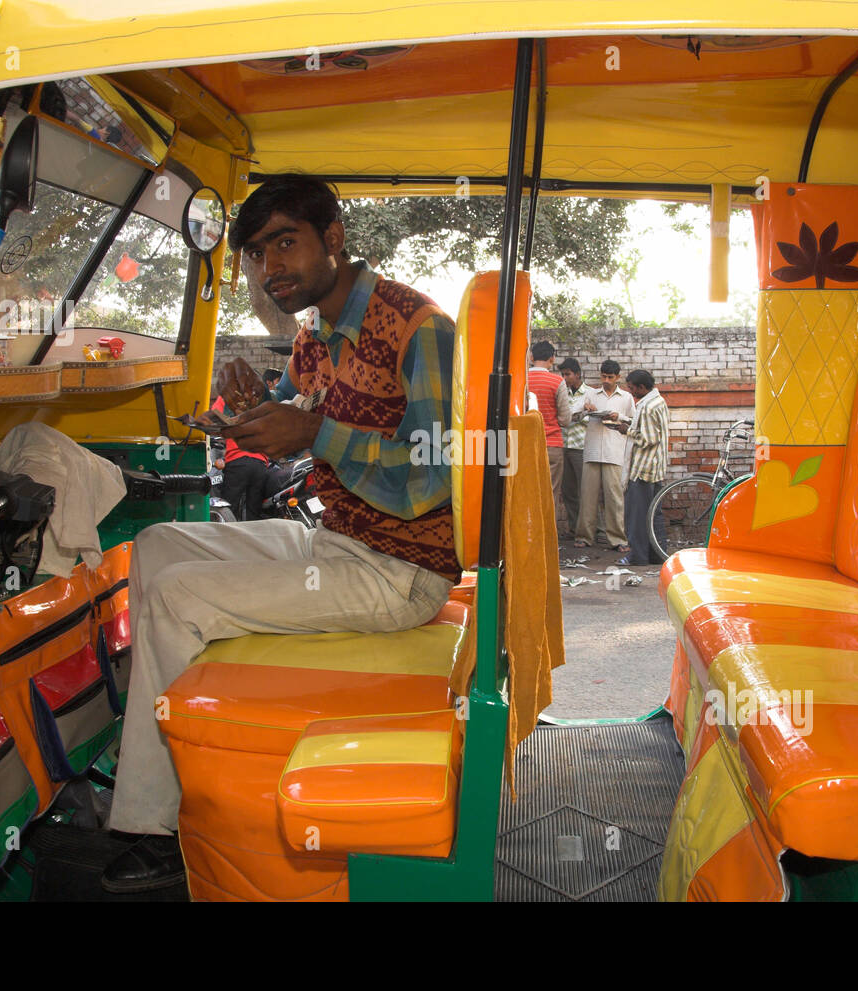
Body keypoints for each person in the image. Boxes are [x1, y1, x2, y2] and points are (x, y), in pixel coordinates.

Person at [103, 173, 459, 892]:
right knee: (157, 546)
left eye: (285, 244)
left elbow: (430, 482)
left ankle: (153, 822)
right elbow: (312, 420)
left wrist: (313, 432)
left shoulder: (421, 331)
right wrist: (259, 409)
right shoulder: (318, 337)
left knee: (177, 596)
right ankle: (153, 742)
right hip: (338, 541)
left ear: (334, 238)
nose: (272, 269)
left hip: (401, 569)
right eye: (260, 255)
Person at [607, 368, 670, 566]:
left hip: (643, 469)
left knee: (636, 515)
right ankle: (656, 554)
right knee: (653, 515)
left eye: (632, 388)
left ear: (642, 387)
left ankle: (637, 556)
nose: (630, 391)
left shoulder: (648, 406)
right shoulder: (657, 401)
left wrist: (628, 431)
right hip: (656, 468)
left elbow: (649, 439)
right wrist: (623, 420)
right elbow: (645, 427)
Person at [575, 359, 634, 550]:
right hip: (592, 450)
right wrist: (586, 409)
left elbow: (633, 422)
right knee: (587, 497)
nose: (606, 380)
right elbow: (572, 416)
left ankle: (617, 539)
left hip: (614, 451)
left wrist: (619, 417)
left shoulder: (626, 398)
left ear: (618, 377)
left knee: (614, 497)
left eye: (610, 377)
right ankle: (584, 536)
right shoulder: (591, 394)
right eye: (603, 376)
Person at [207, 393, 274, 521]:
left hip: (238, 462)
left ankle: (227, 538)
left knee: (227, 509)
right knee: (253, 512)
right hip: (260, 464)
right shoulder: (260, 401)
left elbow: (214, 415)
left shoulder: (231, 405)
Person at [527, 341, 570, 509]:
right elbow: (565, 419)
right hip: (552, 445)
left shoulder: (521, 379)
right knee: (549, 494)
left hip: (525, 444)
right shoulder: (557, 382)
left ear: (531, 357)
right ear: (552, 359)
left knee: (527, 491)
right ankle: (547, 535)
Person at [558, 357, 588, 540]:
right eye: (562, 374)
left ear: (577, 374)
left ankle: (587, 531)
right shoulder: (562, 393)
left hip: (581, 446)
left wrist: (577, 417)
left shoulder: (590, 394)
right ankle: (574, 528)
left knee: (585, 490)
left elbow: (593, 417)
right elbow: (561, 417)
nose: (564, 378)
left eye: (567, 374)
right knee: (568, 490)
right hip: (564, 445)